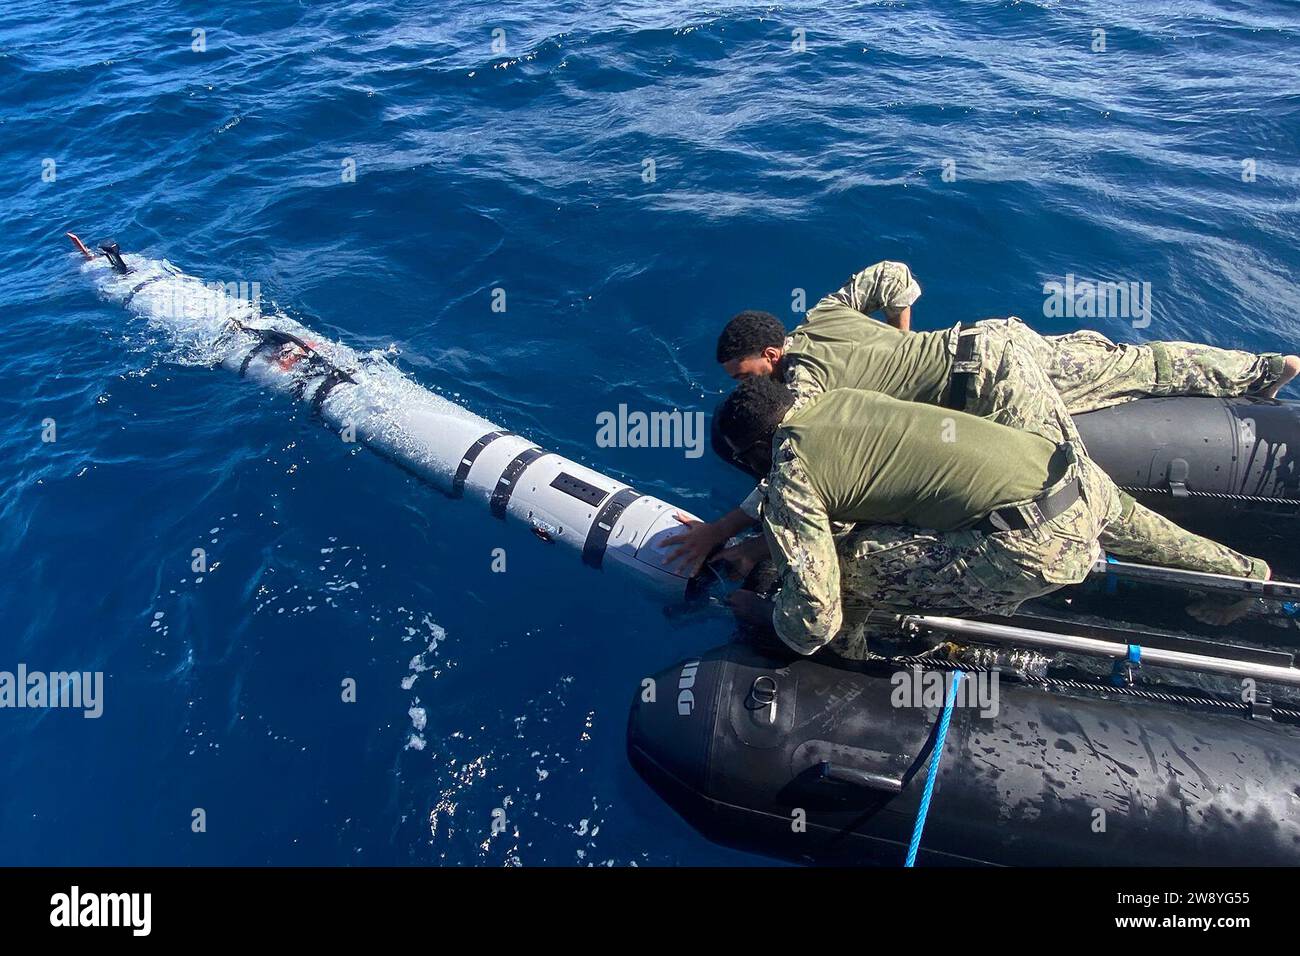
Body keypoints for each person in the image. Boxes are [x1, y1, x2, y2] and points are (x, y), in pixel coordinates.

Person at [666, 261, 1299, 572]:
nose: (737, 385)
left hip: (991, 388)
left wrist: (724, 532)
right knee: (1134, 365)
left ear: (770, 356)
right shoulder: (825, 313)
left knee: (1078, 490)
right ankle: (1262, 371)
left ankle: (1238, 575)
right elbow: (894, 275)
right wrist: (902, 343)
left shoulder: (803, 385)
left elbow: (793, 466)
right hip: (993, 341)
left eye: (740, 374)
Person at [712, 377, 1270, 658]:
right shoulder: (837, 398)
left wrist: (771, 613)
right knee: (1158, 537)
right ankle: (1244, 573)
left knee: (847, 571)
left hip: (1037, 545)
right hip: (1073, 477)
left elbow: (813, 611)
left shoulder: (790, 471)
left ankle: (852, 661)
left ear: (751, 454)